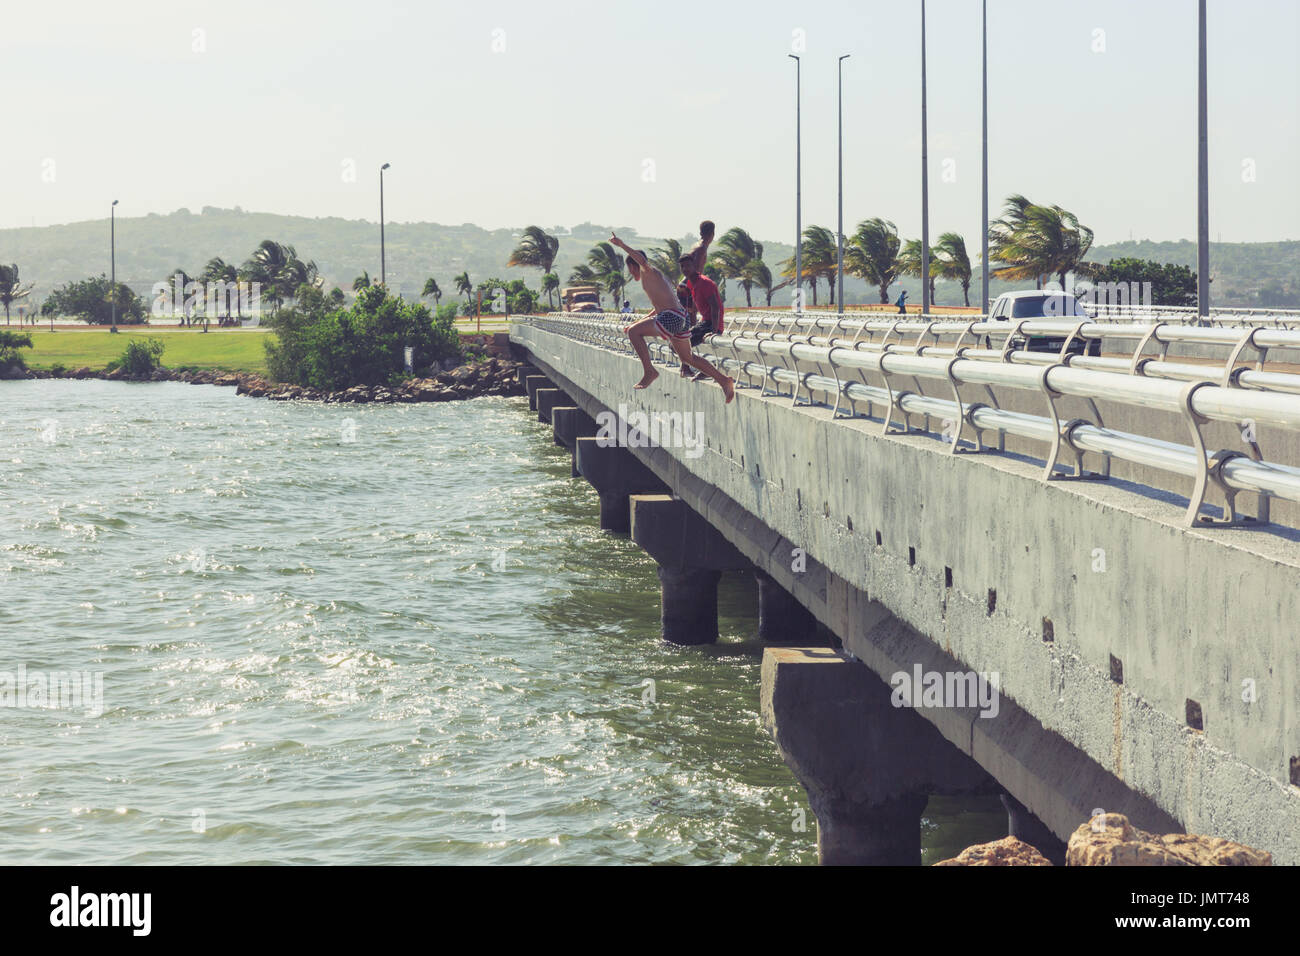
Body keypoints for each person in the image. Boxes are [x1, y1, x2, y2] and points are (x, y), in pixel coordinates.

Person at [610, 232, 734, 403]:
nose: (631, 272)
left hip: (672, 318)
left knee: (633, 333)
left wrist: (622, 245)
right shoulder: (653, 280)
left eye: (630, 268)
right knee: (688, 358)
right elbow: (658, 308)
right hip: (679, 318)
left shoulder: (648, 271)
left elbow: (641, 260)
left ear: (634, 265)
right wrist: (638, 322)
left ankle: (649, 371)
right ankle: (724, 381)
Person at [679, 221, 724, 380]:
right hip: (689, 288)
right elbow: (694, 271)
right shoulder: (702, 248)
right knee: (686, 333)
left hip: (688, 288)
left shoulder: (696, 246)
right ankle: (689, 367)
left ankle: (687, 367)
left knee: (687, 333)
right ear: (712, 233)